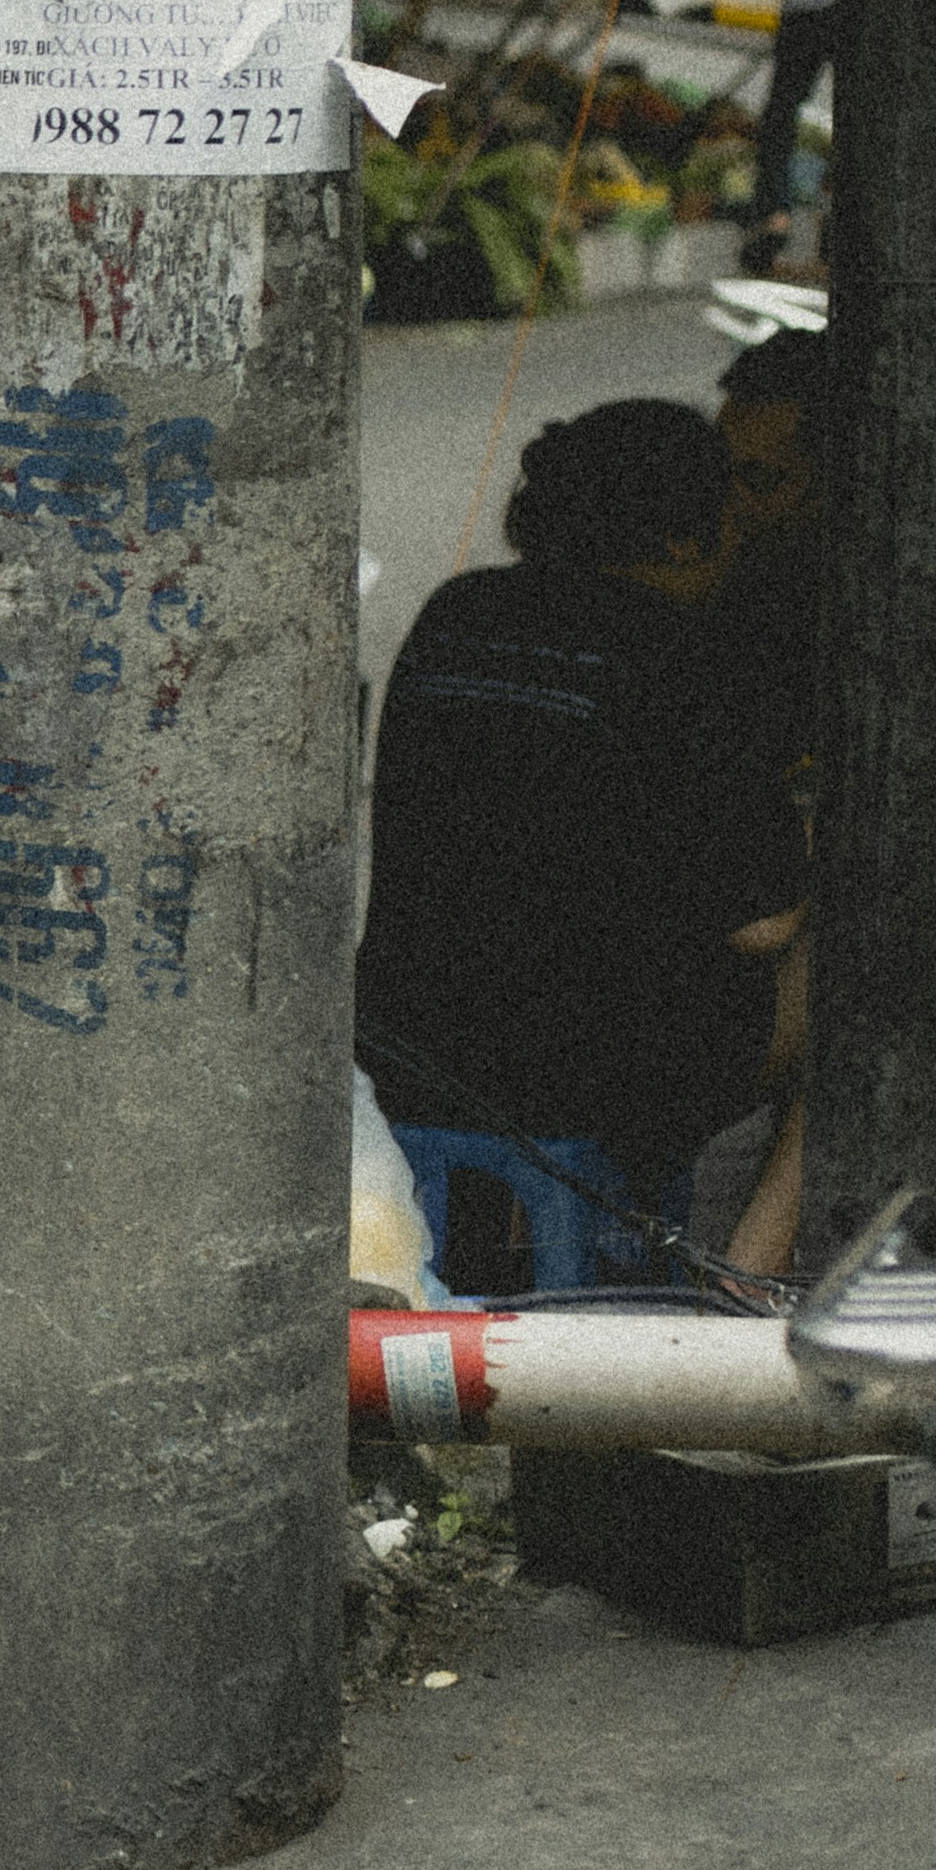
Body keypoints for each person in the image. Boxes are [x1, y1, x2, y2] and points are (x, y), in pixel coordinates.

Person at [357, 402, 808, 1273]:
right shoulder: (691, 653)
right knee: (864, 983)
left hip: (405, 1043)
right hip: (591, 1076)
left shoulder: (460, 608)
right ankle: (746, 1283)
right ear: (683, 539)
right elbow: (766, 926)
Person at [743, 0, 839, 275]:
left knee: (782, 113)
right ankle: (836, 222)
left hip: (806, 7)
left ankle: (773, 217)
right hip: (859, 13)